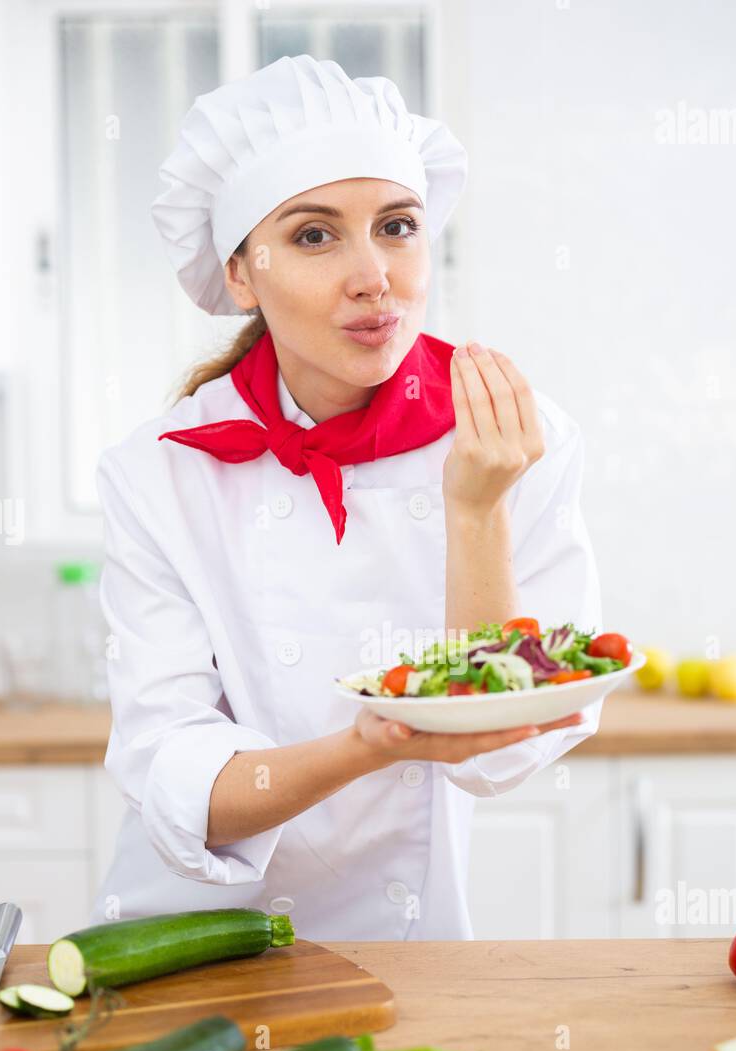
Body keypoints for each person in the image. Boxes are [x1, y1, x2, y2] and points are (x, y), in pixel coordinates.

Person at [90, 53, 603, 941]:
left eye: (397, 226)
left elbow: (504, 748)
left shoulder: (513, 437)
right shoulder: (158, 472)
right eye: (315, 235)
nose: (374, 276)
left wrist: (475, 511)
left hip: (412, 946)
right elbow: (175, 774)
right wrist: (361, 748)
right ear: (241, 274)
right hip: (191, 944)